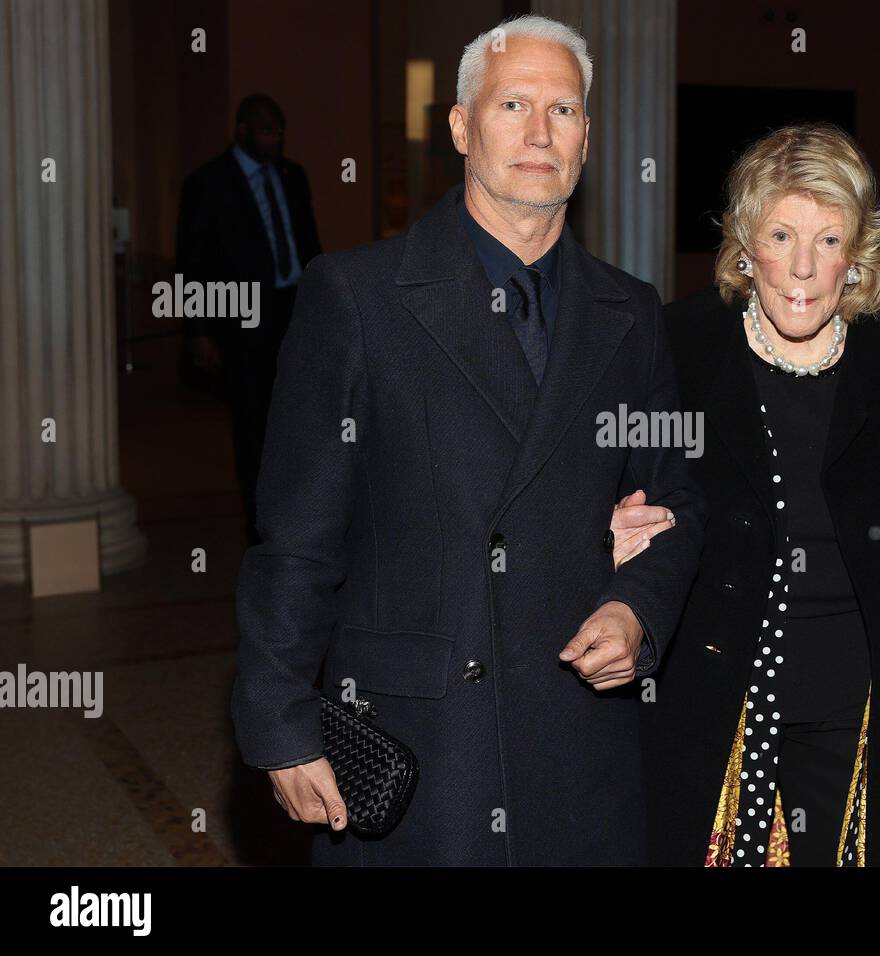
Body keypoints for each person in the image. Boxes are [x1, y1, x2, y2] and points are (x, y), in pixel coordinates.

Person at [229, 15, 705, 865]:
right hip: (426, 737)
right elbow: (297, 538)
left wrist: (639, 607)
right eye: (511, 104)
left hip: (579, 736)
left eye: (563, 111)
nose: (538, 132)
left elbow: (675, 498)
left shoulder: (629, 311)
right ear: (459, 125)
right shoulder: (359, 298)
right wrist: (277, 718)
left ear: (588, 139)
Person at [627, 123, 880, 865]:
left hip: (869, 711)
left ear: (858, 253)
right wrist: (605, 527)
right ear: (745, 242)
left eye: (828, 241)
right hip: (712, 705)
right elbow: (605, 490)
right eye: (780, 235)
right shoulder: (677, 348)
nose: (801, 270)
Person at [176, 94, 323, 544]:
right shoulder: (208, 183)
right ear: (241, 130)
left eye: (279, 131)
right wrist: (199, 331)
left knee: (300, 417)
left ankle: (301, 511)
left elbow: (310, 246)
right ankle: (262, 522)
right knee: (253, 422)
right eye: (265, 131)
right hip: (240, 318)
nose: (275, 139)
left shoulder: (292, 176)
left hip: (294, 312)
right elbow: (191, 261)